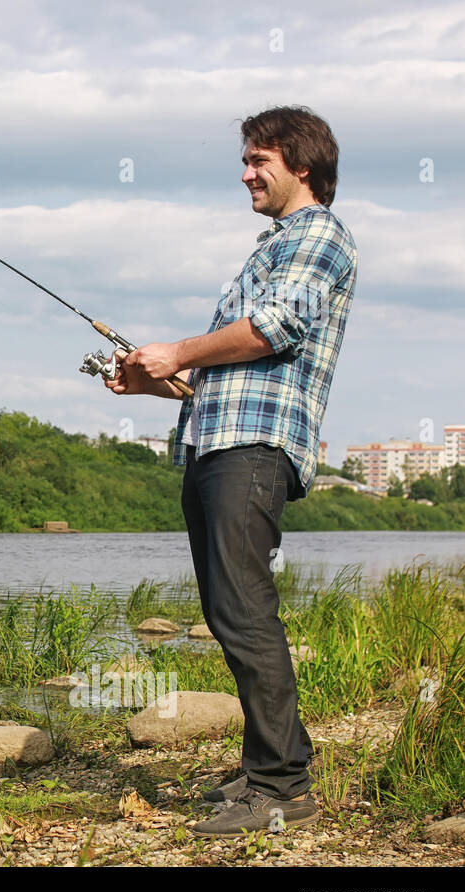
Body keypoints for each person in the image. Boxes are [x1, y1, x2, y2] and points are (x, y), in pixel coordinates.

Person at [105, 105, 357, 837]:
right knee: (229, 614)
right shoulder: (272, 246)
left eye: (258, 161)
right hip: (219, 440)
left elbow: (275, 327)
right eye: (245, 161)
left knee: (245, 614)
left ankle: (282, 789)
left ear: (302, 165)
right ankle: (268, 767)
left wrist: (179, 349)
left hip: (254, 448)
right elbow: (233, 366)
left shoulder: (320, 236)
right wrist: (154, 380)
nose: (246, 174)